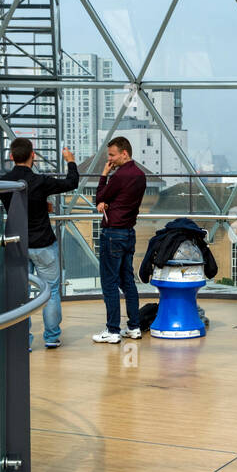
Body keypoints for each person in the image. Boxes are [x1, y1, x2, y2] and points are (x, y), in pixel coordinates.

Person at [0, 138, 79, 350]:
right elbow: (71, 183)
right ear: (32, 155)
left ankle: (23, 341)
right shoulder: (40, 181)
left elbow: (17, 206)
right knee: (51, 291)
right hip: (43, 243)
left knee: (20, 292)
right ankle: (51, 337)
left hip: (17, 244)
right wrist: (70, 161)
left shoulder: (4, 182)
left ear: (11, 156)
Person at [93, 136, 147, 344]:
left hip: (112, 233)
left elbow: (100, 197)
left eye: (112, 155)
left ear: (125, 153)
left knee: (109, 282)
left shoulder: (119, 176)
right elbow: (118, 199)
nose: (110, 159)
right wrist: (109, 202)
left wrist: (104, 175)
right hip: (128, 233)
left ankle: (112, 330)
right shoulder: (140, 175)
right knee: (127, 282)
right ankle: (134, 327)